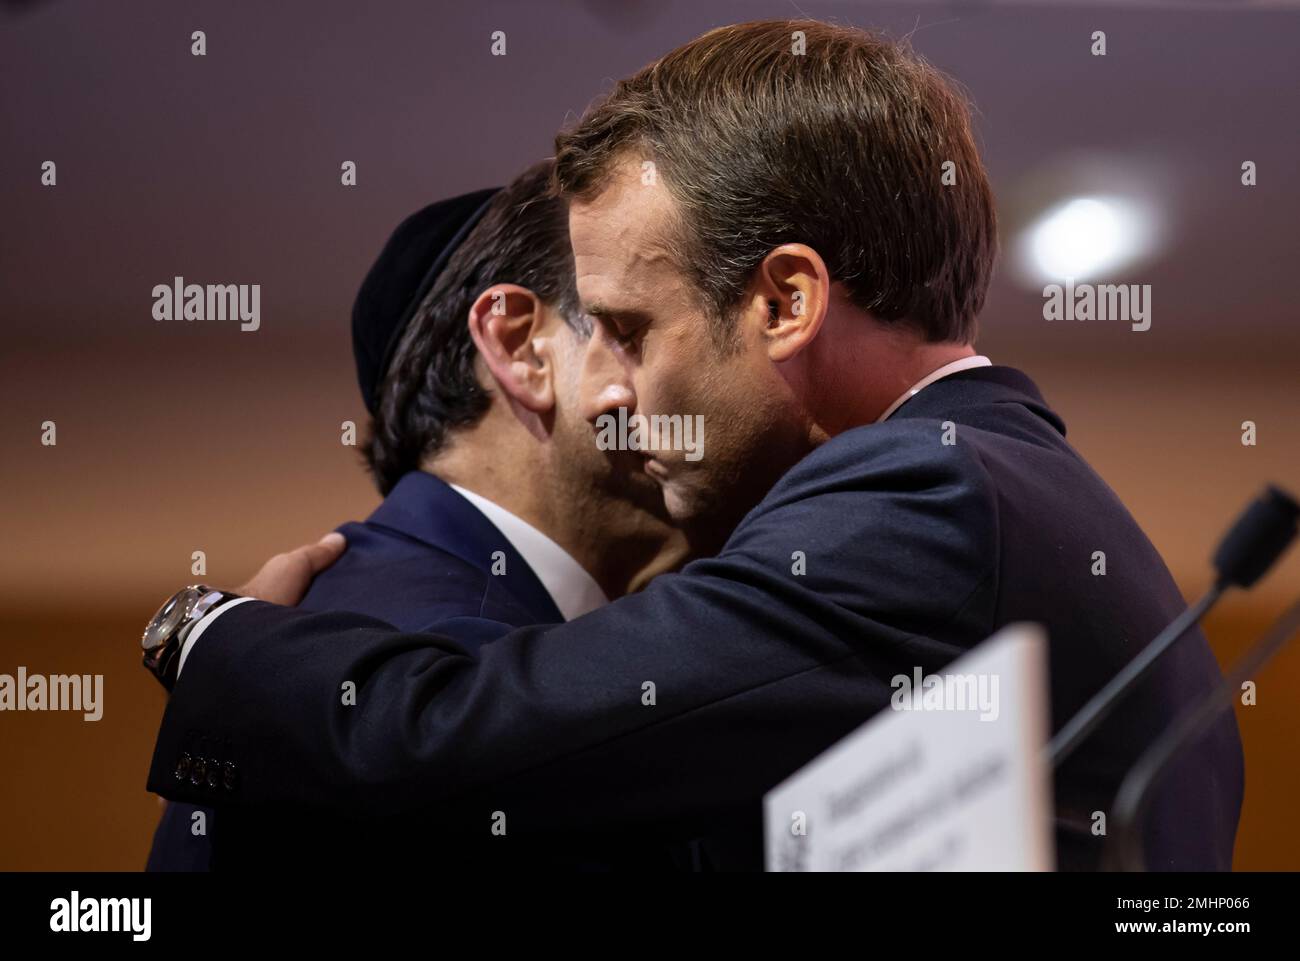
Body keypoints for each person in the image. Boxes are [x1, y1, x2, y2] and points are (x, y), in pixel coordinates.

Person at [145, 20, 1243, 870]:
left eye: (628, 329)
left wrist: (209, 633)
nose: (611, 391)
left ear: (783, 303)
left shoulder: (918, 498)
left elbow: (460, 740)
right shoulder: (1013, 491)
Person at [145, 160, 689, 870]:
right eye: (636, 324)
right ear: (523, 349)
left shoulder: (310, 656)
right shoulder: (437, 671)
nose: (705, 370)